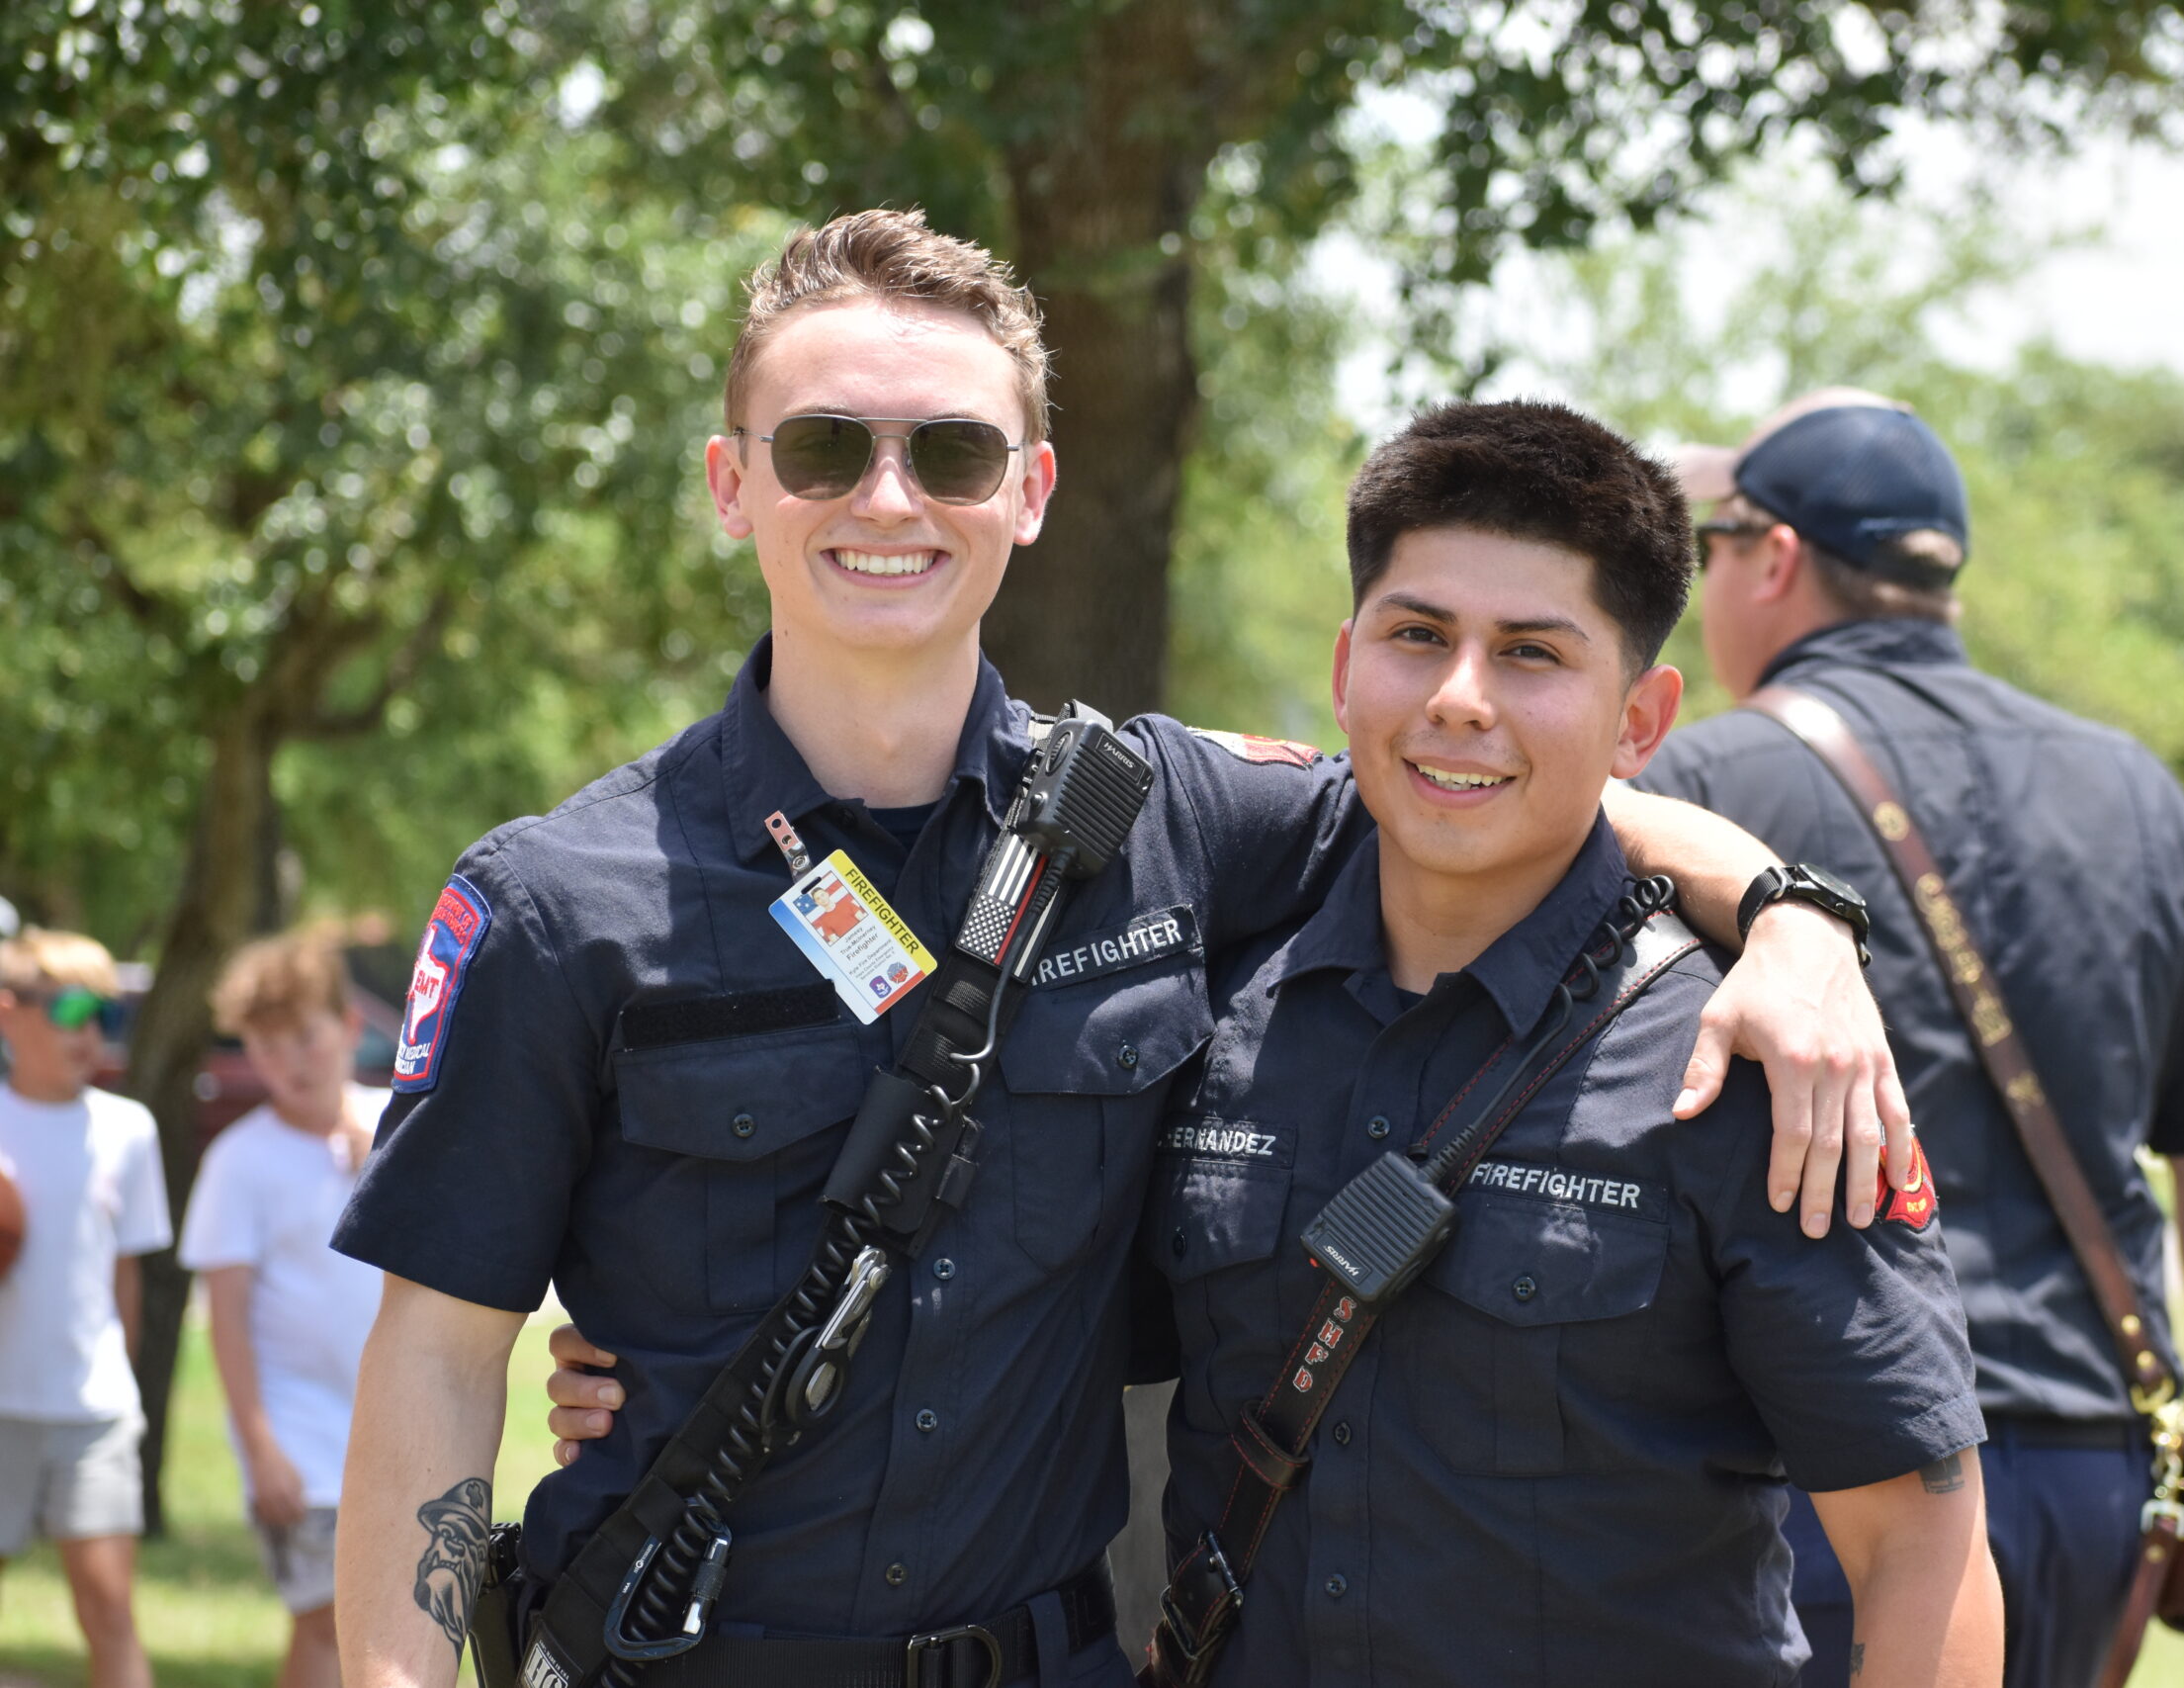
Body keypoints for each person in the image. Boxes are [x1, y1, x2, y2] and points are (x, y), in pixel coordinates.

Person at [333, 208, 1908, 1688]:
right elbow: (440, 1359)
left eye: (951, 452)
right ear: (733, 483)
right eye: (824, 449)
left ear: (1030, 488)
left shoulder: (1169, 819)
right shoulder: (561, 898)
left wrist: (1792, 915)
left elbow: (1487, 782)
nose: (890, 499)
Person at [1128, 400, 1999, 1687]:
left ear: (1641, 722)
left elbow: (1920, 1547)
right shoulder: (1209, 1014)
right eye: (1417, 635)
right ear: (1344, 665)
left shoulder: (1754, 1065)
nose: (1460, 698)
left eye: (1531, 652)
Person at [1631, 390, 2184, 1688]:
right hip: (2094, 1477)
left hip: (1830, 1469)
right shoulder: (2136, 788)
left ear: (1770, 555)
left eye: (1712, 544)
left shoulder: (1696, 793)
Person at [180, 933, 390, 1688]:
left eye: (305, 1035)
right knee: (330, 1624)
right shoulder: (239, 1160)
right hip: (301, 1442)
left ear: (347, 1024)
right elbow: (226, 1318)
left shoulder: (395, 1128)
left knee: (387, 1625)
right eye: (267, 1046)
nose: (291, 1061)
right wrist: (260, 1445)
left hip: (392, 1432)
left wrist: (386, 1174)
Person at [0, 927, 166, 1688]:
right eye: (70, 1007)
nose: (90, 1030)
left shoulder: (129, 1130)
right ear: (11, 1012)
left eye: (105, 1011)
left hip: (90, 1410)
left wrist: (115, 1380)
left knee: (109, 1612)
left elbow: (124, 1279)